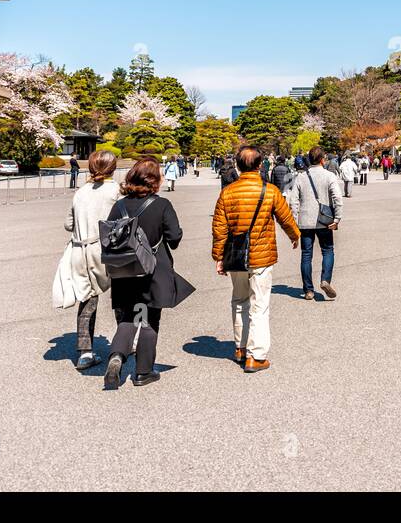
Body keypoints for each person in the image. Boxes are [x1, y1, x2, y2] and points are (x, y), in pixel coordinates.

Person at [102, 156, 192, 389]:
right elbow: (174, 238)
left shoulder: (119, 206)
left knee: (129, 316)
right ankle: (143, 371)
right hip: (151, 271)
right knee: (148, 318)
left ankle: (116, 356)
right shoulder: (161, 205)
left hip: (124, 270)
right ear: (155, 180)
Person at [212, 146, 300, 372]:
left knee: (239, 300)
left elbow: (219, 228)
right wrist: (295, 235)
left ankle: (240, 347)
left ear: (238, 166)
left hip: (236, 256)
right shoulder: (269, 191)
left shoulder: (227, 192)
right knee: (259, 305)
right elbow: (285, 217)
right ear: (260, 165)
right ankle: (256, 355)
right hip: (262, 256)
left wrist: (218, 256)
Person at [63, 150, 121, 371]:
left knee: (87, 300)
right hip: (107, 248)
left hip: (80, 249)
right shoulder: (115, 190)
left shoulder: (81, 191)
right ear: (112, 168)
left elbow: (68, 224)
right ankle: (124, 342)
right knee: (121, 295)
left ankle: (85, 352)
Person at [290, 146, 344, 301]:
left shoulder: (300, 177)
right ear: (322, 159)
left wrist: (294, 221)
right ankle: (325, 279)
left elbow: (293, 201)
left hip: (305, 222)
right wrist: (337, 218)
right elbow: (337, 198)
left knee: (306, 255)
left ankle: (308, 290)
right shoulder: (329, 176)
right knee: (328, 250)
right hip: (324, 220)